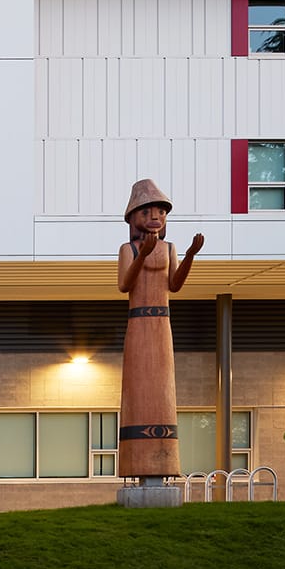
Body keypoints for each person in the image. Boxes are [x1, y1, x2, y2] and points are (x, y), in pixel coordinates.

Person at [115, 179, 203, 482]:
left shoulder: (169, 248)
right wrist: (142, 254)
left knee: (164, 389)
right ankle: (137, 461)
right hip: (139, 324)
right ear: (134, 218)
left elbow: (175, 285)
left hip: (162, 324)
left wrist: (190, 254)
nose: (155, 217)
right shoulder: (128, 248)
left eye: (161, 212)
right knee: (140, 388)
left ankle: (165, 460)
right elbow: (125, 284)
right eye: (148, 211)